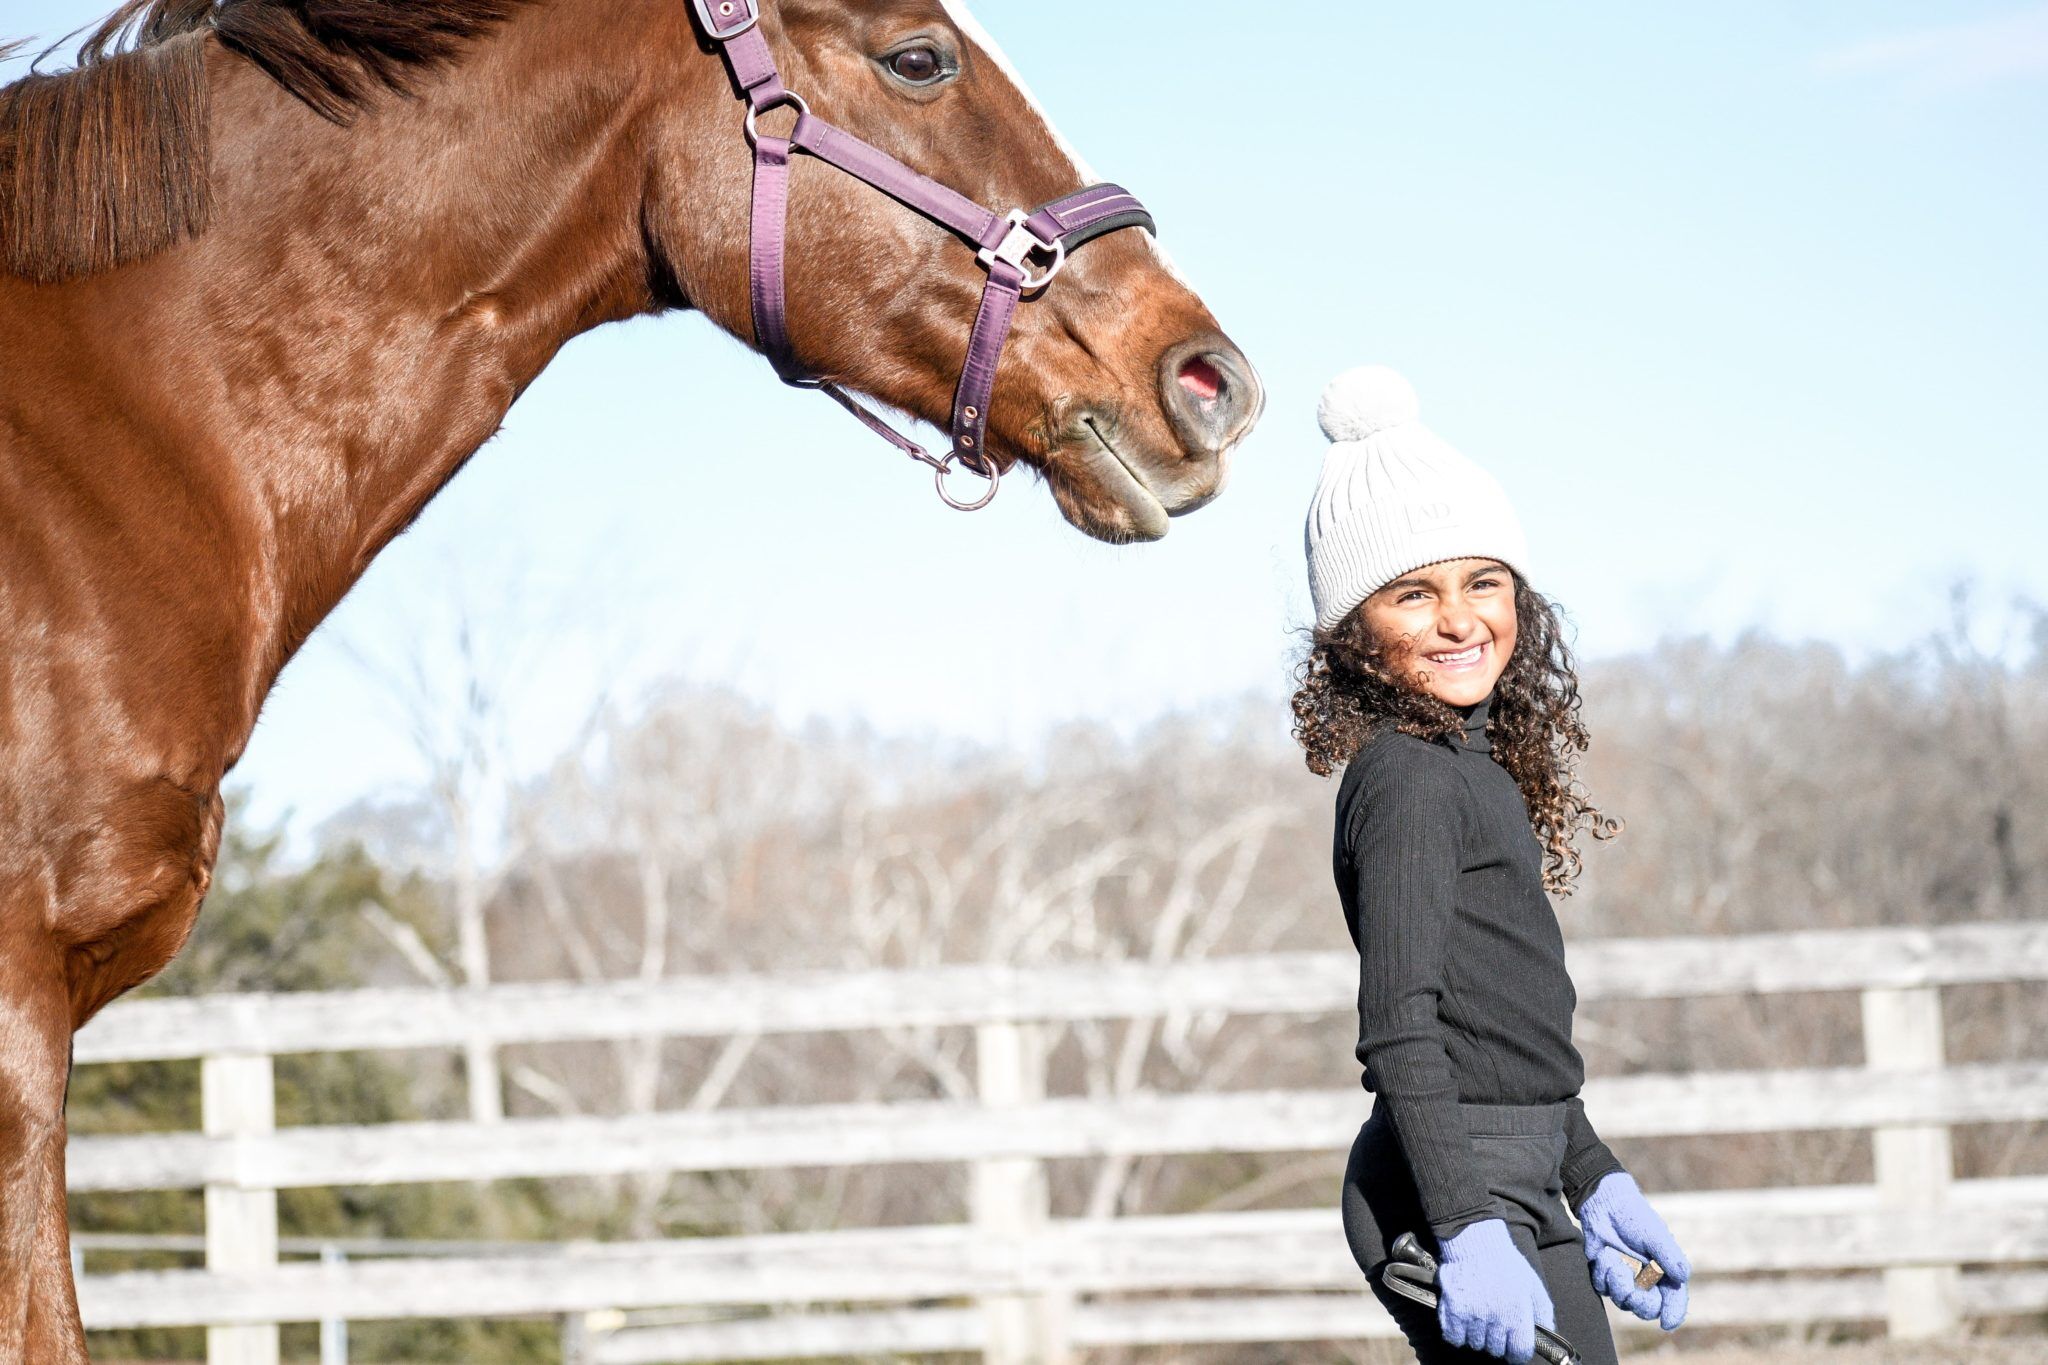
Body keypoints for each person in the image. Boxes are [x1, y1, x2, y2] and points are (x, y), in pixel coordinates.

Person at [1292, 366, 1691, 1364]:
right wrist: (1465, 1228)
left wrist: (1591, 1172)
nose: (1459, 619)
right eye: (1410, 595)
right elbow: (1398, 1028)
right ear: (1352, 634)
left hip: (1515, 1165)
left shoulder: (1475, 768)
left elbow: (1503, 1026)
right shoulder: (1408, 781)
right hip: (1447, 1185)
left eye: (1483, 581)